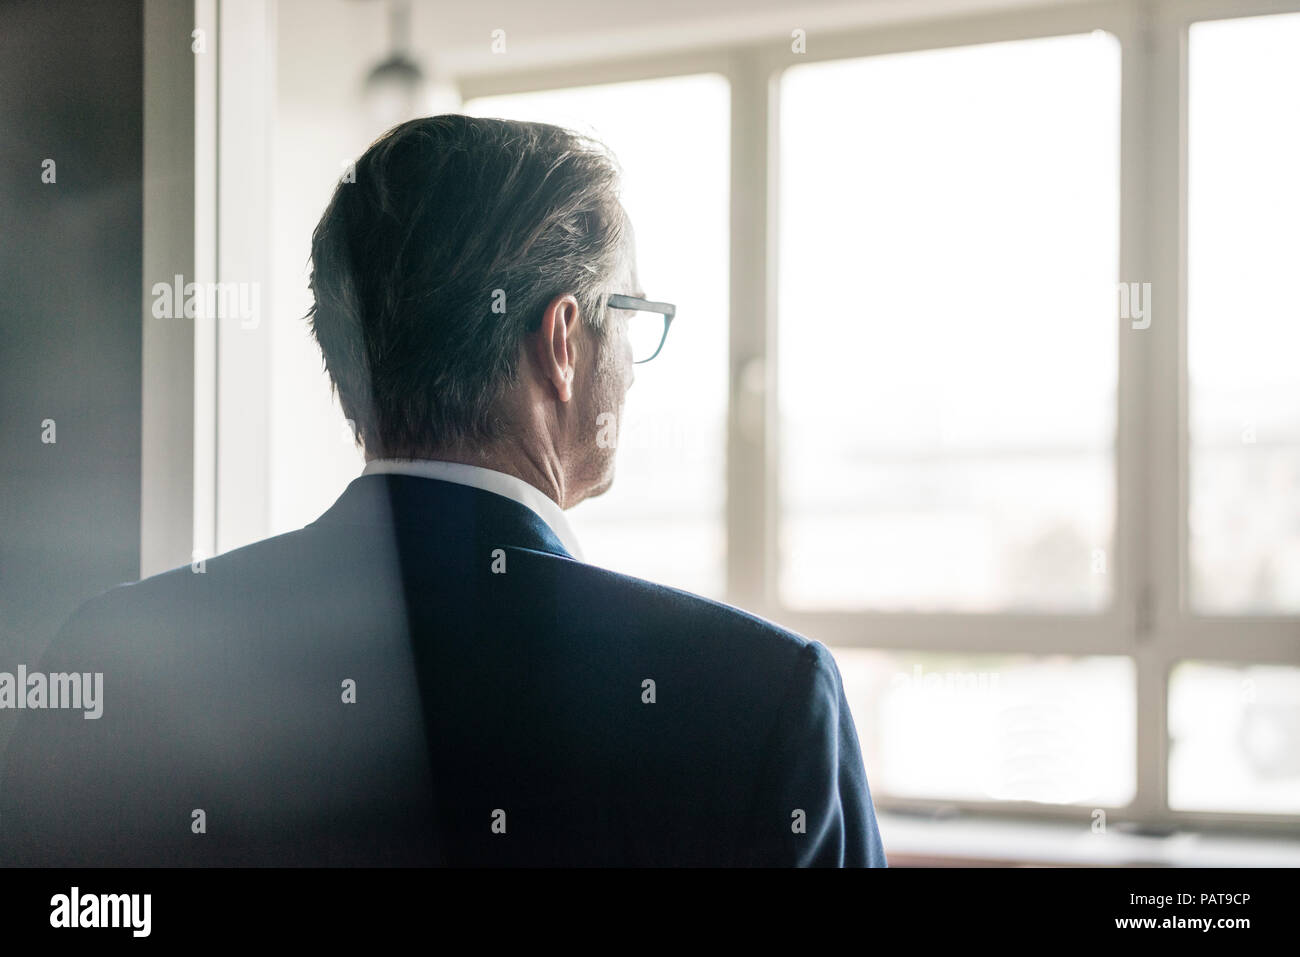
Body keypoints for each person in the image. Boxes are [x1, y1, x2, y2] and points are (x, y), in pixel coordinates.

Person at [0, 115, 886, 867]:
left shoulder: (117, 649)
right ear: (564, 342)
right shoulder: (763, 698)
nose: (635, 367)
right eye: (632, 316)